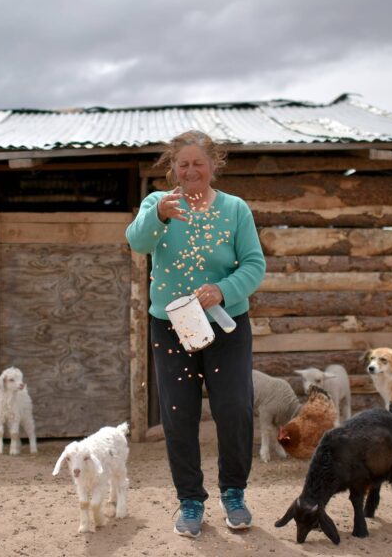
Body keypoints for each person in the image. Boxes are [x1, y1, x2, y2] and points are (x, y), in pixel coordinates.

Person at [126, 130, 266, 538]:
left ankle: (234, 494)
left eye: (198, 163)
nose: (190, 171)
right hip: (172, 326)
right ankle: (190, 501)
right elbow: (136, 242)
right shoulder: (158, 203)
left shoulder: (235, 209)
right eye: (182, 164)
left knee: (235, 409)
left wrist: (224, 289)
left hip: (227, 324)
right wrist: (159, 216)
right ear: (173, 168)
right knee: (179, 413)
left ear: (212, 166)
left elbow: (254, 265)